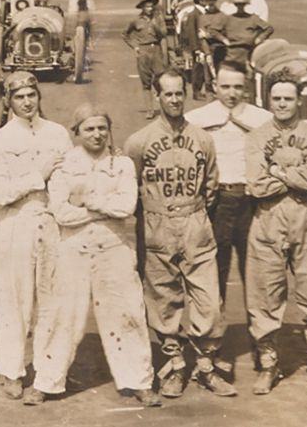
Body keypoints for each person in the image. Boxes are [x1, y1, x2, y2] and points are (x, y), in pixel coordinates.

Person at [37, 109, 155, 406]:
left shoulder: (123, 164)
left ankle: (139, 380)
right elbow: (61, 212)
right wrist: (102, 208)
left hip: (114, 247)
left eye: (102, 128)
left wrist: (88, 202)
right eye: (89, 129)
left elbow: (127, 205)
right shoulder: (64, 167)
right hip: (74, 249)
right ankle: (47, 381)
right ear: (77, 132)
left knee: (127, 313)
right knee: (64, 315)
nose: (97, 134)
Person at [131, 69, 232, 397]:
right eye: (168, 94)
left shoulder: (203, 138)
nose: (174, 100)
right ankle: (174, 366)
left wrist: (197, 217)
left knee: (209, 301)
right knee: (164, 300)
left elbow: (212, 185)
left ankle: (206, 366)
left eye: (179, 94)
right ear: (157, 96)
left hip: (195, 223)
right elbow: (130, 188)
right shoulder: (139, 141)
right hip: (157, 225)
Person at [243, 79, 307, 395]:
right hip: (268, 219)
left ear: (299, 101)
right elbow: (257, 185)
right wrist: (296, 177)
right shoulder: (257, 136)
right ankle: (269, 364)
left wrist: (278, 173)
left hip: (306, 218)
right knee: (265, 294)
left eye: (288, 98)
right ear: (268, 100)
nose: (282, 103)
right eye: (276, 98)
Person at [0, 75, 68, 402]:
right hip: (16, 222)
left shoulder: (58, 134)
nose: (27, 102)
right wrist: (37, 175)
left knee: (52, 302)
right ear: (8, 101)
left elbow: (68, 178)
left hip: (52, 222)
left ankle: (47, 377)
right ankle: (13, 371)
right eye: (19, 97)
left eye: (32, 95)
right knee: (13, 301)